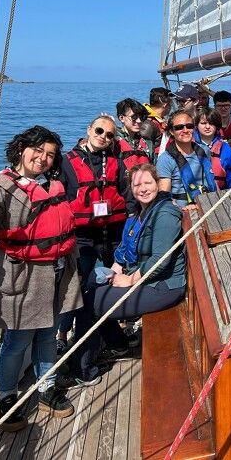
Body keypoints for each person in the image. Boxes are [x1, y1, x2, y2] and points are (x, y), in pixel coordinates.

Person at [0, 126, 82, 430]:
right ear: (21, 149)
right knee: (16, 342)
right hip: (22, 278)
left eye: (50, 154)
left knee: (48, 337)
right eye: (38, 150)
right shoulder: (0, 185)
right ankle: (7, 397)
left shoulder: (53, 183)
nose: (43, 158)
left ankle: (46, 389)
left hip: (59, 274)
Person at [59, 164, 187, 386]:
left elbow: (161, 259)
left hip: (164, 286)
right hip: (146, 278)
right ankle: (117, 344)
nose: (143, 189)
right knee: (91, 288)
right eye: (137, 185)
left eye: (148, 183)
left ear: (158, 184)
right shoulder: (138, 214)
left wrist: (130, 279)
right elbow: (123, 253)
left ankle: (83, 371)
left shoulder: (165, 214)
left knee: (89, 304)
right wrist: (113, 272)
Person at [56, 115, 130, 378]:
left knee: (116, 286)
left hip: (112, 234)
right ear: (89, 130)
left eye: (110, 135)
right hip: (83, 237)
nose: (103, 137)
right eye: (99, 131)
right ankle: (63, 337)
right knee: (76, 290)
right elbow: (59, 197)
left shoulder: (115, 163)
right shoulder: (67, 162)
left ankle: (114, 336)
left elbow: (126, 194)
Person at [156, 110, 217, 206]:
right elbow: (164, 197)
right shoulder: (165, 159)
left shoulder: (204, 150)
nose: (185, 130)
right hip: (182, 209)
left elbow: (211, 179)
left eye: (189, 126)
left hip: (209, 203)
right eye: (179, 127)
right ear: (171, 131)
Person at [195, 107, 231, 190]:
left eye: (211, 123)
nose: (207, 126)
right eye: (203, 123)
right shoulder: (188, 146)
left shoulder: (226, 149)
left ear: (217, 126)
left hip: (220, 194)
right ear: (196, 125)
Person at [116, 98, 153, 168]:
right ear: (121, 118)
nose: (139, 121)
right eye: (134, 117)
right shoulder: (114, 141)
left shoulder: (147, 142)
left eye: (142, 117)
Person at [143, 87, 173, 159]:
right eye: (170, 104)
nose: (171, 107)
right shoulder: (148, 123)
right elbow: (145, 148)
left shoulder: (159, 120)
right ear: (165, 105)